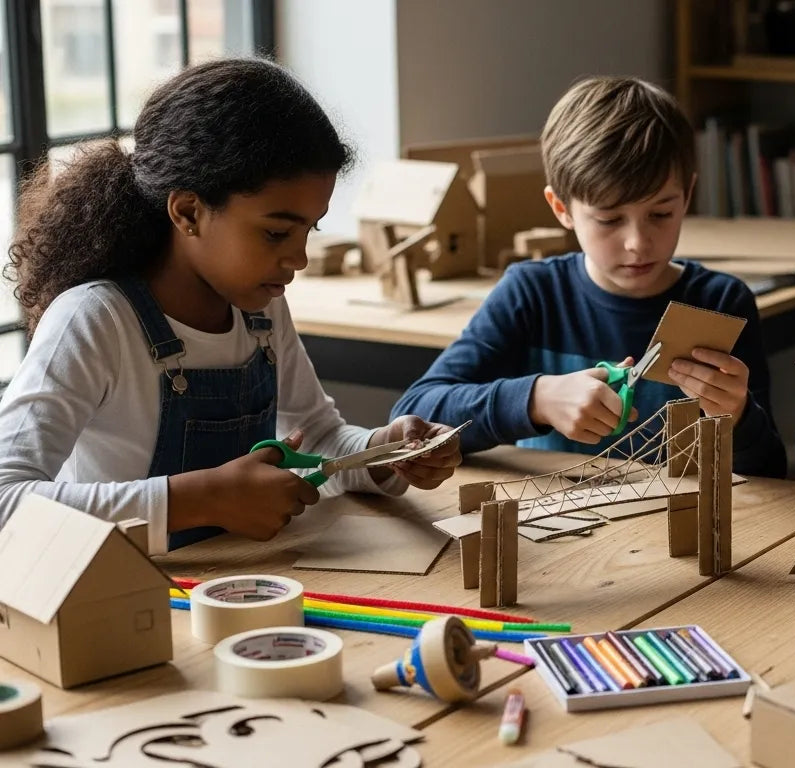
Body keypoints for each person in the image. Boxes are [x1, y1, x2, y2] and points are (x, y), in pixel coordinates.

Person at [0, 59, 462, 553]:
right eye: (277, 233)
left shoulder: (260, 312)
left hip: (247, 585)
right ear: (188, 212)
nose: (300, 258)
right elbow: (8, 503)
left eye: (312, 229)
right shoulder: (95, 321)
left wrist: (382, 451)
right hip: (132, 604)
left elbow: (318, 437)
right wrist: (197, 500)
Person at [392, 76, 787, 477]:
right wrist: (537, 399)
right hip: (552, 531)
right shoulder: (532, 293)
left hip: (677, 531)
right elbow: (413, 416)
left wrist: (737, 417)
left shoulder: (720, 302)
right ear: (561, 208)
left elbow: (770, 471)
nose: (637, 242)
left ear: (688, 194)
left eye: (661, 214)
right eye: (609, 219)